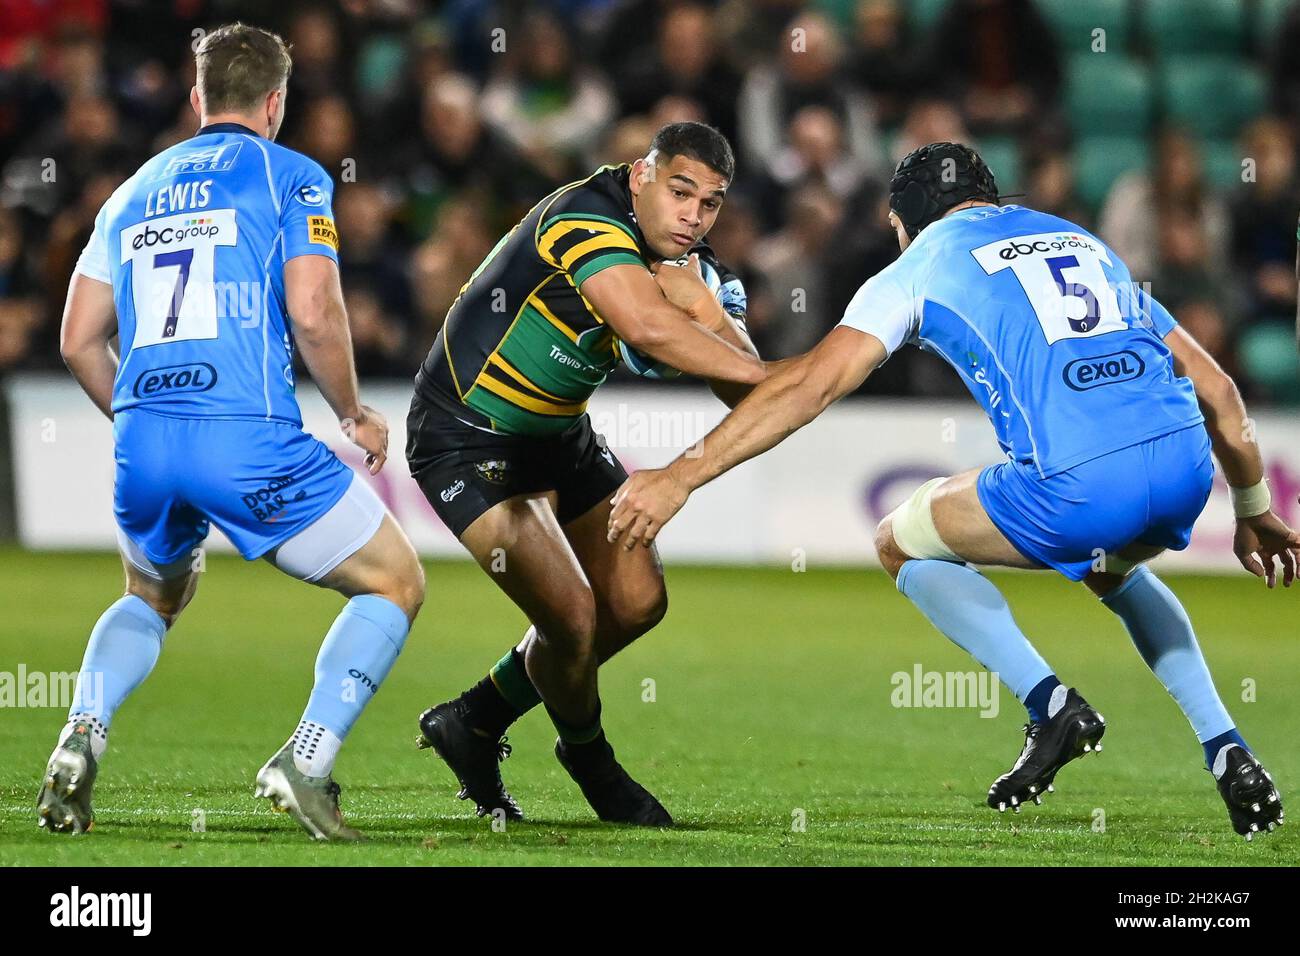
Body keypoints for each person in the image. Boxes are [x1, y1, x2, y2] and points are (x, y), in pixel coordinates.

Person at [609, 142, 1294, 840]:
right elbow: (1220, 391)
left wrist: (679, 474)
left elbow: (811, 386)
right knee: (1111, 568)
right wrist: (1253, 508)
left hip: (1080, 485)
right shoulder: (1080, 241)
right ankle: (1227, 749)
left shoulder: (920, 264)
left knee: (900, 541)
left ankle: (1050, 704)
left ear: (903, 221)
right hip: (1185, 465)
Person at [40, 23, 425, 841]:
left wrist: (145, 417)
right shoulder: (291, 176)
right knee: (394, 581)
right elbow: (315, 310)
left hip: (143, 441)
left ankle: (81, 732)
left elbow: (76, 339)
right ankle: (307, 758)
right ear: (277, 102)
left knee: (151, 595)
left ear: (197, 98)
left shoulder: (134, 188)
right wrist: (352, 412)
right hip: (244, 436)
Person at [406, 122, 762, 826]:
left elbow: (742, 383)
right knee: (571, 617)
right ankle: (591, 759)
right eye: (680, 191)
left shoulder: (697, 265)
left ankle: (472, 719)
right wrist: (774, 373)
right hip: (467, 435)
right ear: (640, 176)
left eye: (711, 203)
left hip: (558, 435)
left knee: (635, 603)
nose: (692, 215)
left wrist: (711, 312)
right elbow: (650, 331)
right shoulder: (585, 217)